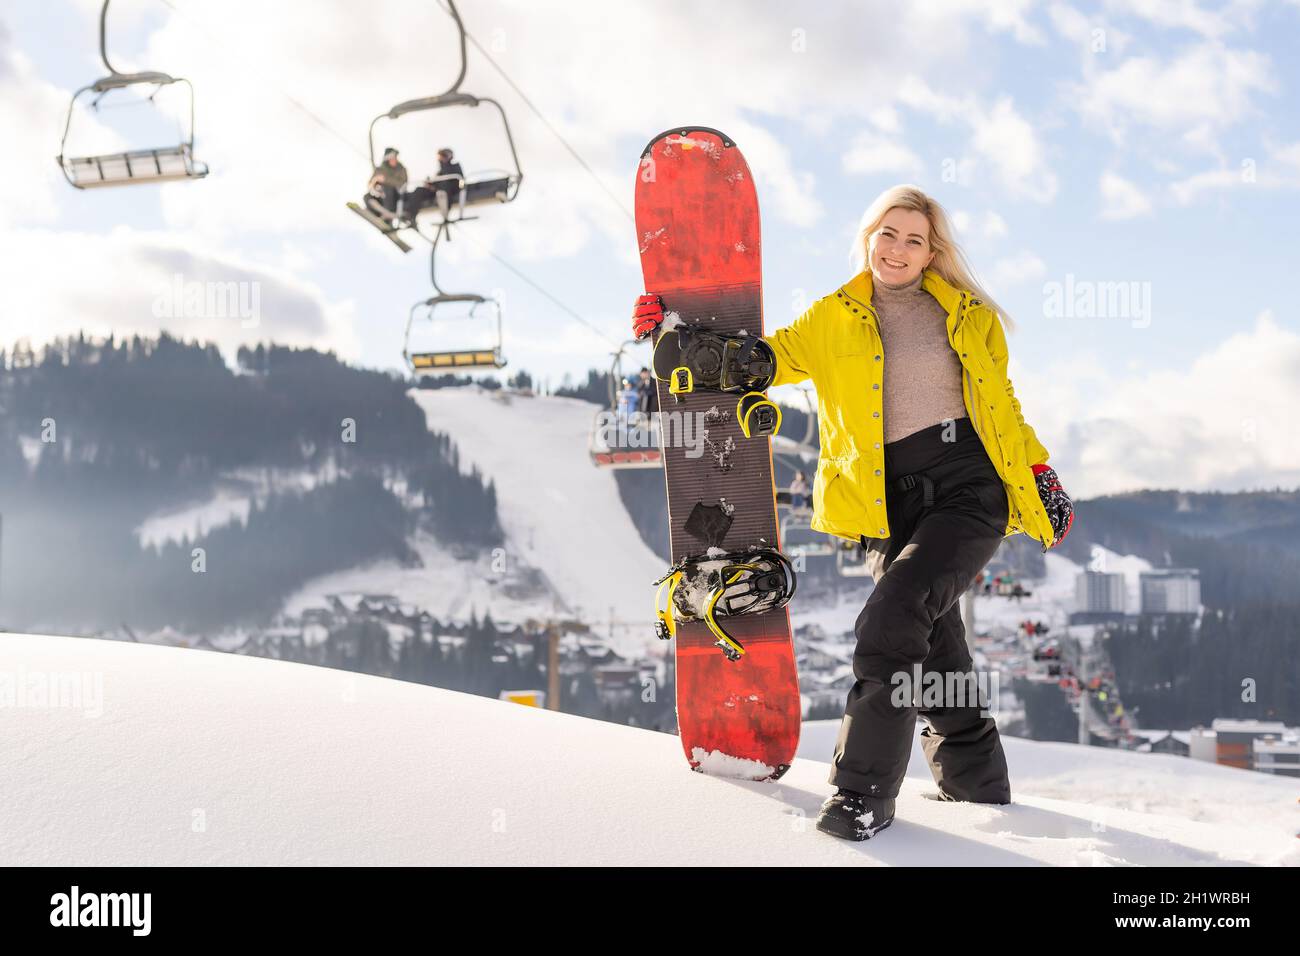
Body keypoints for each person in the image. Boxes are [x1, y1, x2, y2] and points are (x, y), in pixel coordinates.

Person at [631, 184, 1075, 841]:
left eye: (914, 239)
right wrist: (674, 332)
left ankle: (861, 797)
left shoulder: (969, 316)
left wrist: (1039, 472)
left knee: (890, 624)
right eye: (888, 234)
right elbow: (766, 361)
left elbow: (1001, 404)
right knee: (936, 654)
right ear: (868, 238)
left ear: (932, 253)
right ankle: (983, 797)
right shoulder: (831, 317)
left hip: (967, 489)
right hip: (881, 506)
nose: (898, 249)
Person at [365, 147, 408, 220]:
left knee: (388, 189)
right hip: (380, 196)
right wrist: (374, 182)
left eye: (395, 157)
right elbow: (369, 184)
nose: (395, 159)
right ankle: (379, 214)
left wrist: (385, 180)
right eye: (392, 158)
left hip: (395, 198)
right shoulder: (379, 170)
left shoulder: (401, 169)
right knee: (367, 197)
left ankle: (388, 215)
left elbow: (402, 183)